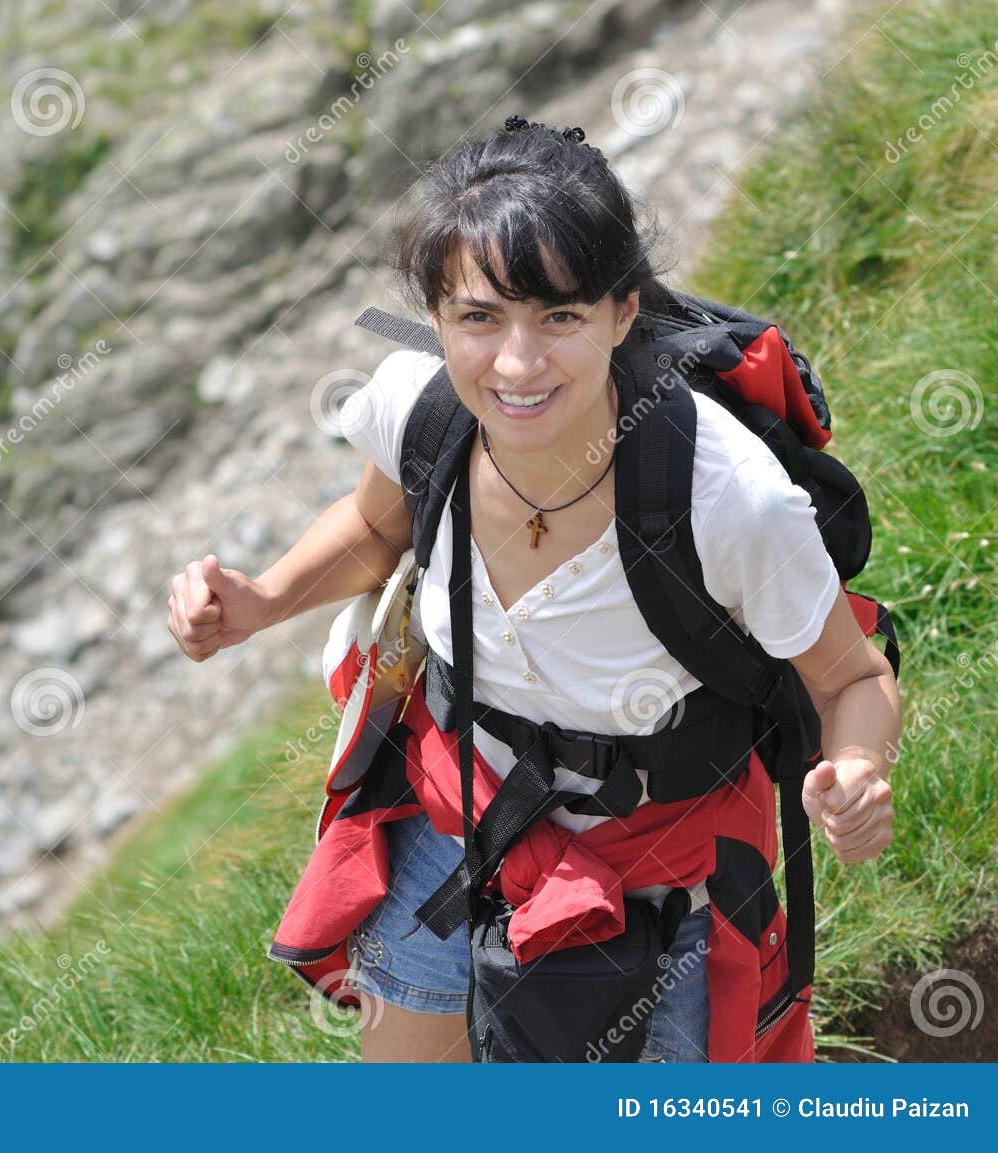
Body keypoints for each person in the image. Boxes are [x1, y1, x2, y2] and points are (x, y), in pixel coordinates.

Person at [166, 117, 901, 1062]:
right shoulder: (421, 408)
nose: (516, 365)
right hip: (457, 818)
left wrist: (859, 771)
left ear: (622, 314)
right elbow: (379, 529)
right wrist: (260, 601)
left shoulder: (725, 497)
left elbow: (851, 677)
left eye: (559, 317)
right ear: (436, 316)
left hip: (660, 868)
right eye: (479, 318)